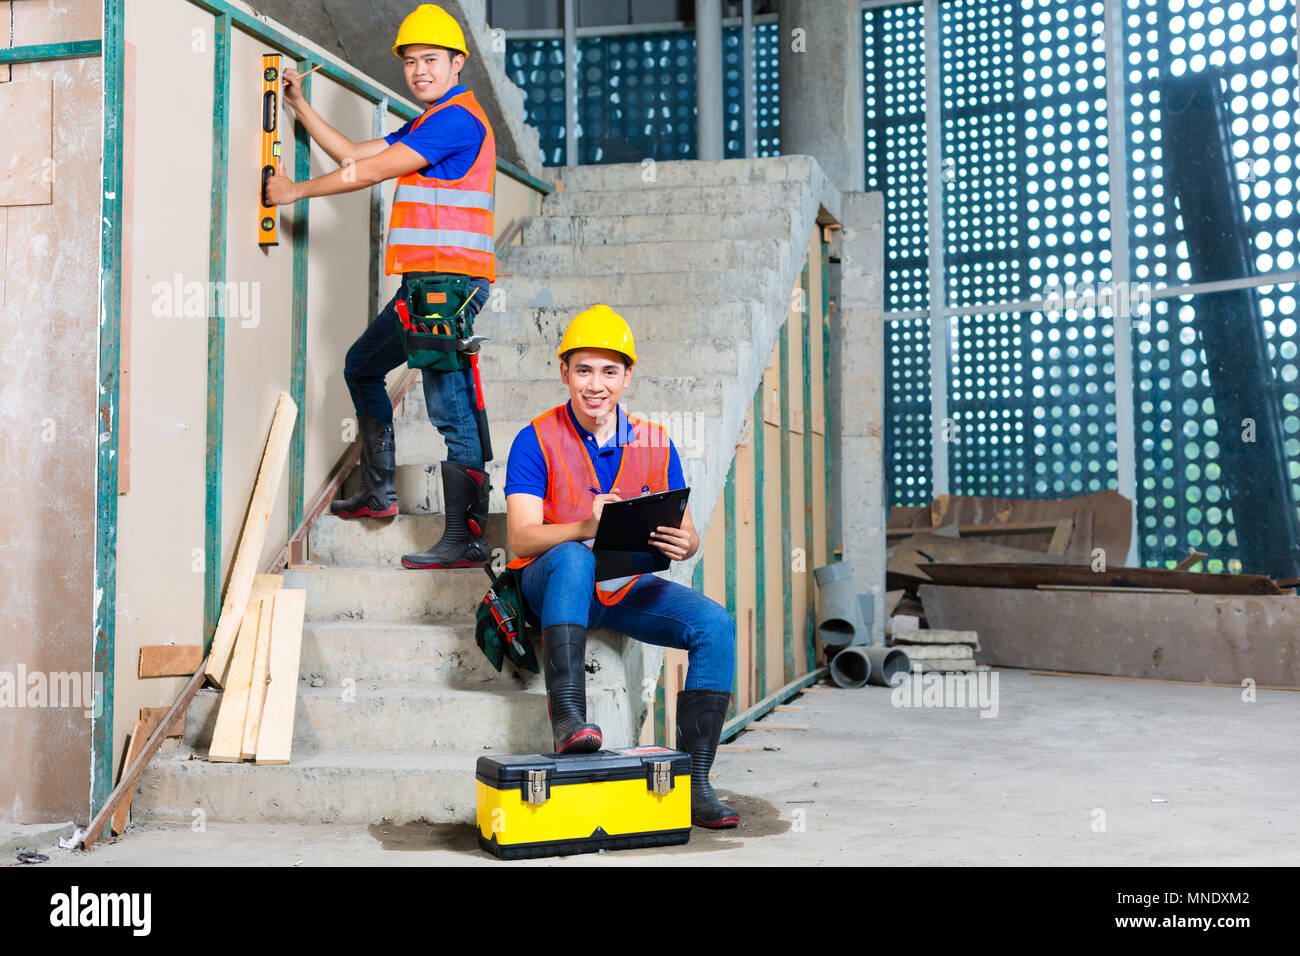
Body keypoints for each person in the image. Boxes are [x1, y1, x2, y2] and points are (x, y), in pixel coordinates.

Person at [265, 4, 495, 569]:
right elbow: (352, 154)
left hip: (447, 285)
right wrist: (298, 105)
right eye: (411, 62)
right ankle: (379, 491)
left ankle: (464, 540)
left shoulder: (457, 120)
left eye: (432, 60)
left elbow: (367, 174)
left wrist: (293, 193)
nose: (419, 71)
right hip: (426, 285)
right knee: (364, 365)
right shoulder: (425, 123)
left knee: (450, 408)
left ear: (458, 62)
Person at [503, 305, 740, 829]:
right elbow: (519, 536)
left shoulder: (655, 440)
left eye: (609, 371)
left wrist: (687, 542)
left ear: (627, 376)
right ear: (564, 372)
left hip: (624, 585)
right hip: (556, 585)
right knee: (567, 557)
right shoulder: (535, 438)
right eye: (584, 369)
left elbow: (688, 529)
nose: (596, 384)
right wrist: (584, 529)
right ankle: (568, 718)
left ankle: (696, 784)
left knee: (716, 626)